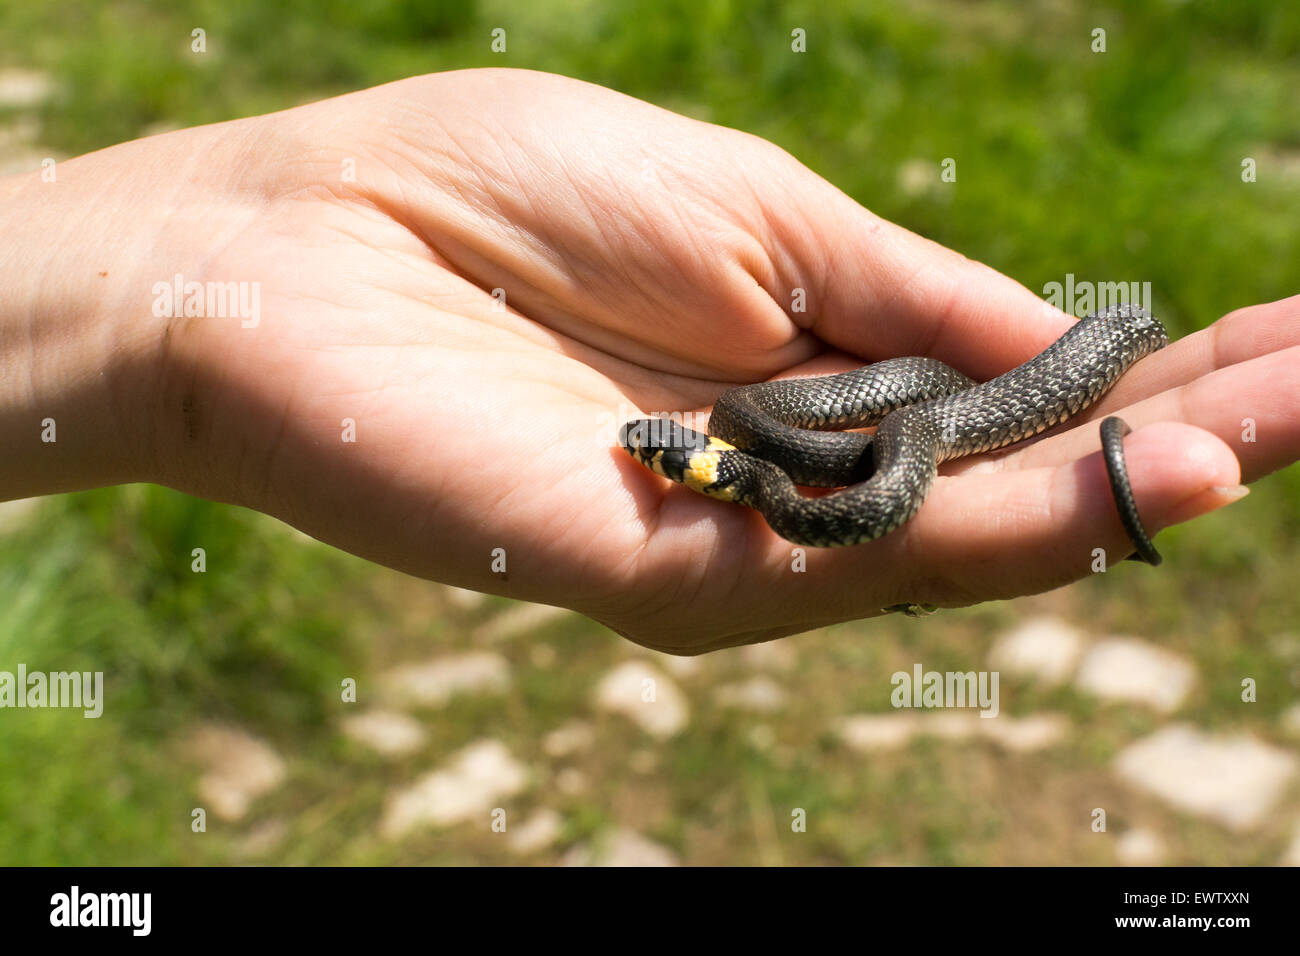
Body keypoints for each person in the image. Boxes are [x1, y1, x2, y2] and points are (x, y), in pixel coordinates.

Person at [0, 69, 1293, 653]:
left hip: (920, 415)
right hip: (880, 431)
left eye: (658, 450)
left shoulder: (784, 445)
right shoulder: (780, 443)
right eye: (662, 452)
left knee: (1091, 353)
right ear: (733, 476)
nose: (643, 452)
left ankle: (1109, 343)